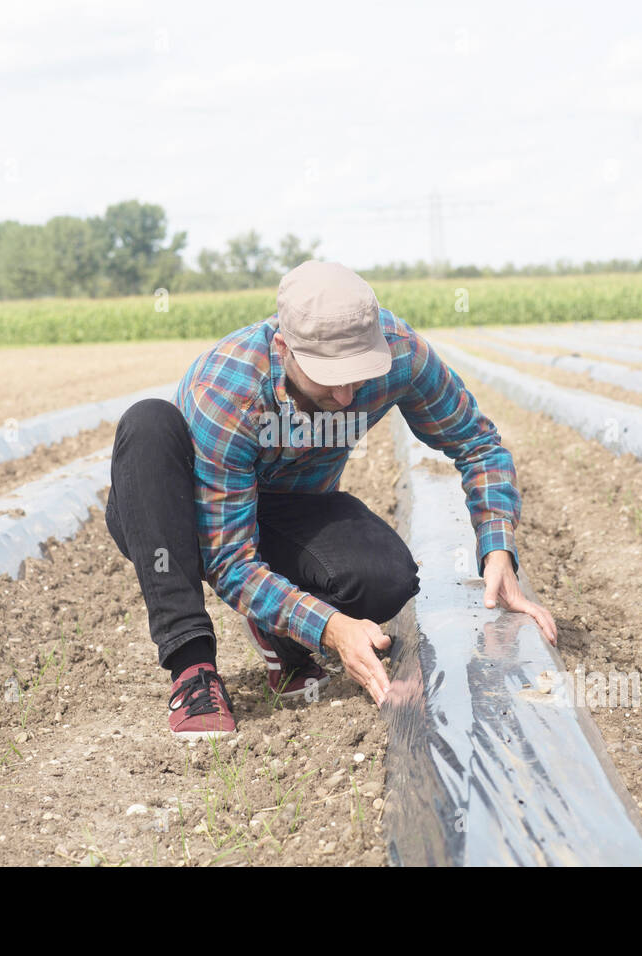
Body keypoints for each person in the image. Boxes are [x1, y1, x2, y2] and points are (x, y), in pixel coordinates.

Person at [103, 260, 557, 739]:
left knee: (386, 578)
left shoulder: (401, 354)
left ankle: (278, 634)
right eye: (328, 378)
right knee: (148, 422)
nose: (344, 396)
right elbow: (230, 559)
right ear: (285, 348)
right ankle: (193, 669)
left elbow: (478, 443)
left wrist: (498, 549)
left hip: (289, 507)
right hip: (189, 516)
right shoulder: (228, 389)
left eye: (357, 376)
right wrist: (332, 629)